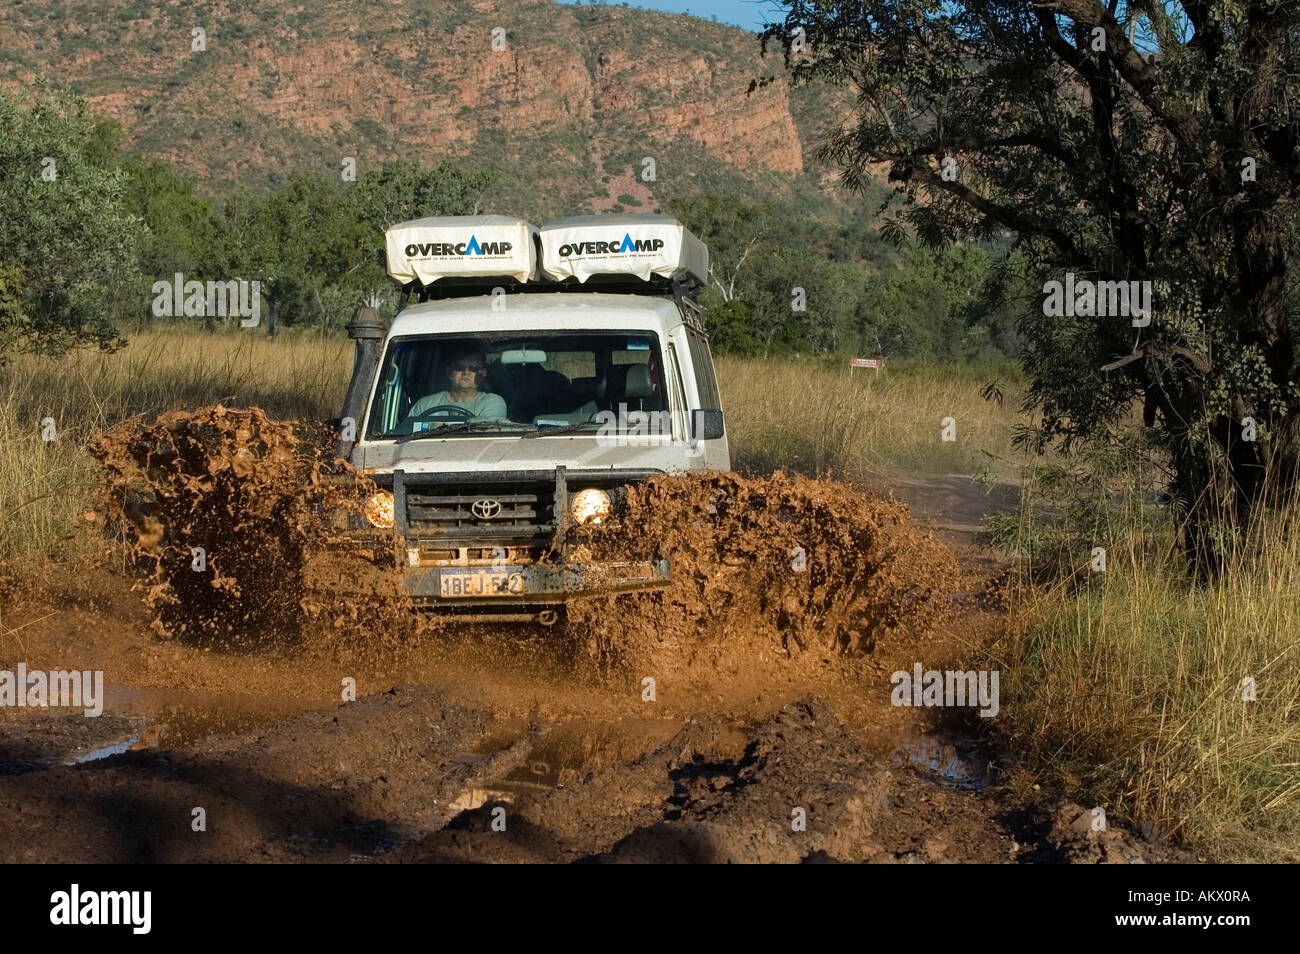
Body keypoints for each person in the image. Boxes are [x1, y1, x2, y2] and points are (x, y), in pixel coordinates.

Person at [407, 348, 508, 422]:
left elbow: (487, 436)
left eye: (474, 368)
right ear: (449, 371)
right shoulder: (424, 405)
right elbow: (407, 435)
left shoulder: (492, 402)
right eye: (459, 367)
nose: (466, 372)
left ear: (483, 373)